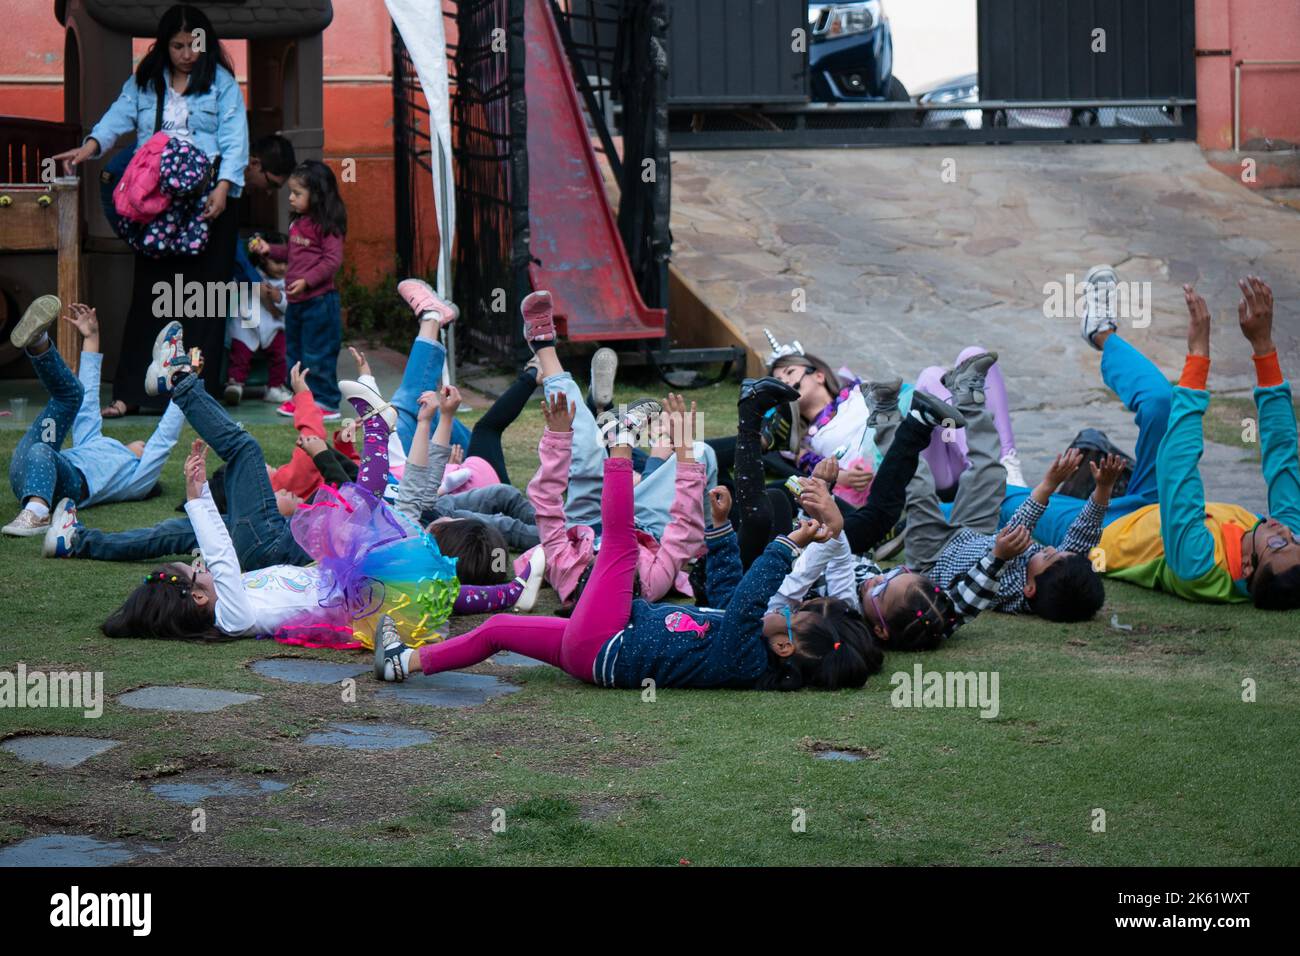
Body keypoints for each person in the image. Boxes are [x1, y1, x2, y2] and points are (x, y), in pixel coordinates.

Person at [374, 432, 878, 692]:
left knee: (618, 541)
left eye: (797, 610)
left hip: (607, 643)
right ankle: (404, 664)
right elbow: (730, 597)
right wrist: (721, 531)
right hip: (591, 650)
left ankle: (618, 448)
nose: (784, 605)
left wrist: (790, 544)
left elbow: (748, 603)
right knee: (498, 630)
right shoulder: (743, 640)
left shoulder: (744, 661)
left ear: (786, 644)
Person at [1014, 270, 1300, 608]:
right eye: (1294, 538)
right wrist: (1263, 347)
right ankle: (1101, 332)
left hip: (1104, 529)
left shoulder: (1200, 566)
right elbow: (1283, 454)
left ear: (1248, 567)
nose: (1284, 532)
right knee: (1160, 404)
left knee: (1000, 499)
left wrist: (1198, 356)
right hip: (1156, 504)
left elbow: (1178, 465)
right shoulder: (1287, 544)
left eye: (1278, 544)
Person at [52, 3, 250, 414]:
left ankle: (195, 397)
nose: (186, 53)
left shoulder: (221, 84)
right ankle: (131, 395)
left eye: (193, 44)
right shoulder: (144, 83)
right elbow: (113, 121)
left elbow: (235, 139)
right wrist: (89, 148)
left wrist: (224, 188)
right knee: (151, 296)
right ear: (164, 46)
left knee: (203, 298)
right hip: (158, 205)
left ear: (205, 43)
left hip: (211, 200)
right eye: (176, 45)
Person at [875, 351, 1116, 622]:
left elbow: (1020, 525)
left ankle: (884, 418)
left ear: (1030, 588)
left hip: (933, 557)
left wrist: (1049, 485)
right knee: (991, 474)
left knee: (917, 484)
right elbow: (1082, 537)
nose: (1050, 549)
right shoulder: (1058, 571)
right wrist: (1103, 489)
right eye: (1058, 551)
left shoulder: (1007, 590)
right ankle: (965, 392)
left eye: (1049, 556)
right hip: (976, 534)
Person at [4, 299, 182, 537]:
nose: (145, 442)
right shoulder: (94, 442)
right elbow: (87, 404)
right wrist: (91, 337)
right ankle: (39, 341)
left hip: (66, 484)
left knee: (42, 450)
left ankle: (37, 513)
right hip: (28, 469)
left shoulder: (137, 478)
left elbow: (164, 438)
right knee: (70, 396)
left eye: (146, 447)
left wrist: (185, 386)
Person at [519, 391, 705, 606]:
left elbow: (546, 505)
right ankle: (621, 435)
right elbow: (685, 525)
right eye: (622, 563)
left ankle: (610, 420)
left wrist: (557, 436)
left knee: (587, 449)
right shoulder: (651, 584)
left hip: (587, 520)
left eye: (601, 566)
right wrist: (684, 448)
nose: (611, 559)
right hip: (649, 524)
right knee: (703, 452)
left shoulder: (568, 570)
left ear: (587, 575)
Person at [251, 160, 347, 420]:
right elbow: (294, 253)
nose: (290, 198)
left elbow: (331, 261)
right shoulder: (299, 224)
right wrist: (270, 250)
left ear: (317, 195)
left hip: (319, 302)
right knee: (295, 353)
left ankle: (326, 402)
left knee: (318, 354)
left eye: (297, 193)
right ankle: (302, 398)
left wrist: (307, 280)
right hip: (298, 303)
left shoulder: (328, 227)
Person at [224, 240, 289, 406]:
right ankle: (235, 384)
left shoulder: (287, 282)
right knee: (240, 353)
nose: (282, 267)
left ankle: (275, 387)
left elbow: (289, 304)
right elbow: (237, 285)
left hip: (273, 326)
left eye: (285, 263)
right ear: (264, 260)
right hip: (248, 322)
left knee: (280, 354)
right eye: (277, 262)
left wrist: (279, 297)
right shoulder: (252, 274)